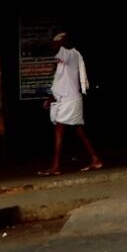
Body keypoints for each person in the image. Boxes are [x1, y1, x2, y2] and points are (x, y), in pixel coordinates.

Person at [42, 30, 101, 175]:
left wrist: (59, 39)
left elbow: (55, 46)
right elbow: (60, 82)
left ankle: (56, 166)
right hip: (67, 99)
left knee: (59, 131)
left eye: (61, 40)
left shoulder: (72, 54)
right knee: (78, 130)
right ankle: (95, 159)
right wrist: (51, 98)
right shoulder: (67, 57)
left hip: (70, 100)